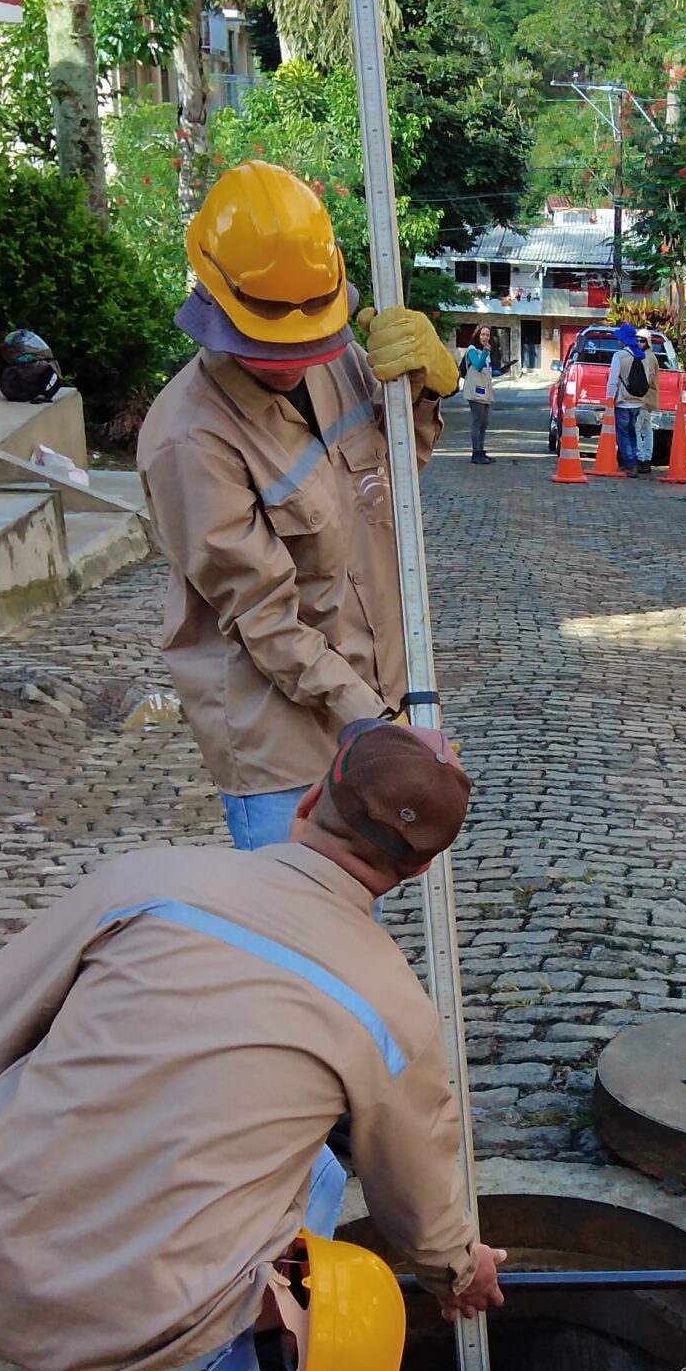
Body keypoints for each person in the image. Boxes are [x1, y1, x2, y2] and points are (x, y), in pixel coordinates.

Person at [0, 720, 507, 1371]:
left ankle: (148, 1358)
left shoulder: (145, 880)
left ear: (307, 800)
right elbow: (419, 1205)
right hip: (149, 1317)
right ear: (422, 867)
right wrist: (460, 1271)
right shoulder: (395, 1009)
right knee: (318, 1180)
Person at [139, 160, 460, 853]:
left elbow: (388, 491)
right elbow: (266, 620)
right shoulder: (190, 441)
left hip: (377, 700)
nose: (291, 357)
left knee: (359, 911)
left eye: (307, 337)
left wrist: (423, 393)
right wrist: (378, 726)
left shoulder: (335, 363)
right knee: (299, 915)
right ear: (214, 302)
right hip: (280, 746)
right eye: (266, 341)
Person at [604, 322, 651, 476]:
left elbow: (613, 381)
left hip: (623, 401)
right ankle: (635, 460)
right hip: (638, 400)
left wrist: (609, 398)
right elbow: (647, 378)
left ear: (623, 340)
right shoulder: (643, 356)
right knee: (633, 433)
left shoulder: (619, 356)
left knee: (623, 434)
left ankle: (630, 464)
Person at [460, 329, 498, 464]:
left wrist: (501, 371)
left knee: (484, 423)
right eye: (483, 334)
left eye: (488, 335)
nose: (485, 337)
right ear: (477, 335)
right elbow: (478, 366)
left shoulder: (485, 353)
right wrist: (486, 352)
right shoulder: (472, 350)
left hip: (485, 391)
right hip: (475, 391)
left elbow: (488, 370)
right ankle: (476, 453)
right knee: (478, 421)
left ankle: (481, 451)